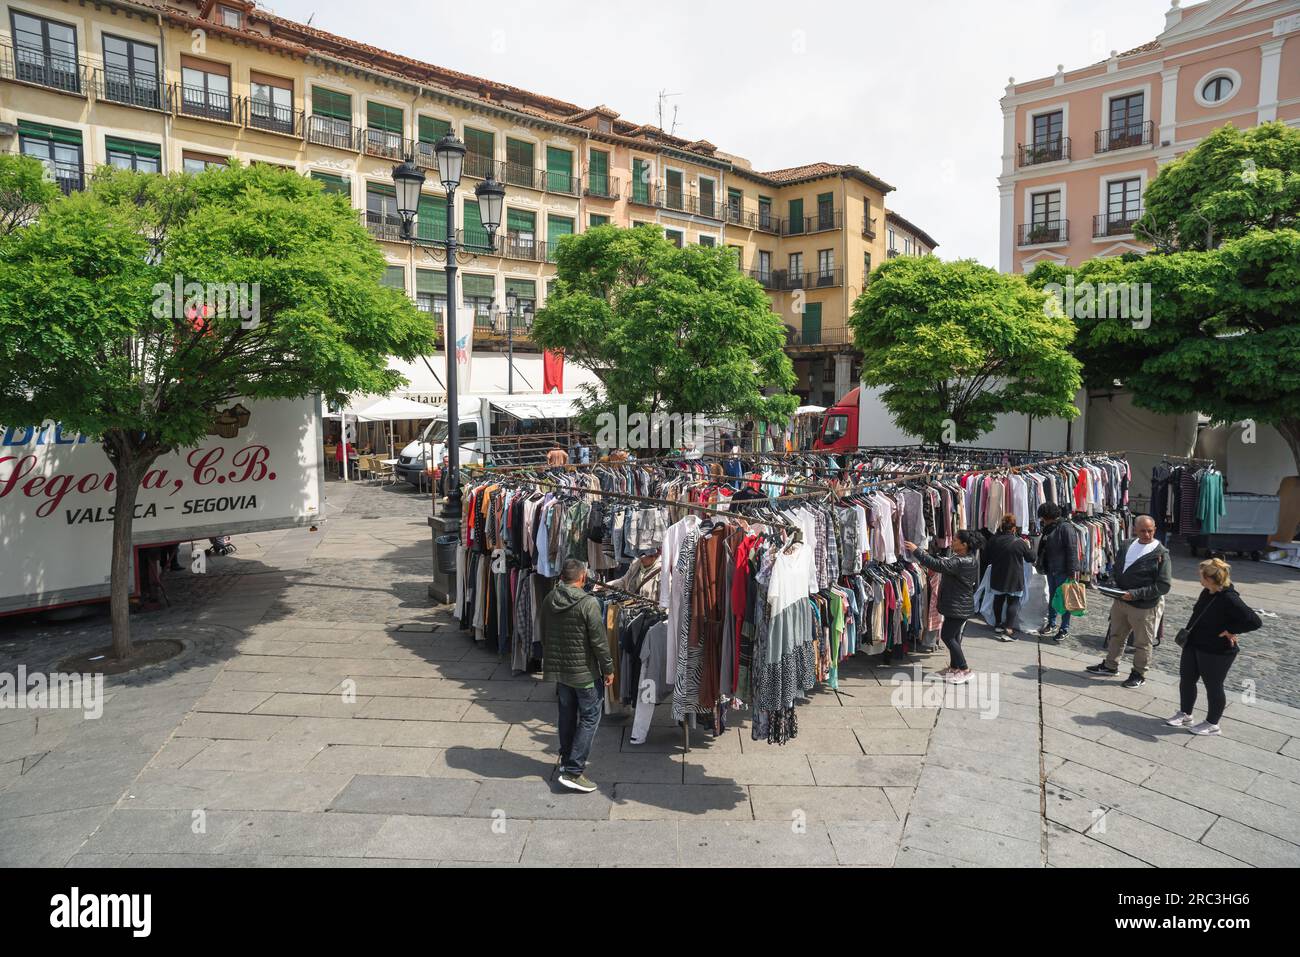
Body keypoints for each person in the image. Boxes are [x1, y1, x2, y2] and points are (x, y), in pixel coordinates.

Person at [540, 559, 613, 793]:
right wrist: (609, 668)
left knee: (567, 715)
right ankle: (574, 770)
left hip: (561, 671)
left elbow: (544, 632)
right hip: (585, 673)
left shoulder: (550, 599)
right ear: (582, 578)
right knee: (590, 717)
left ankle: (565, 760)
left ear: (562, 578)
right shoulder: (588, 603)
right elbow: (599, 642)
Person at [1165, 558, 1261, 736]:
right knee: (1186, 680)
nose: (1198, 578)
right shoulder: (1207, 592)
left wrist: (1231, 630)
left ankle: (1212, 723)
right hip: (1194, 643)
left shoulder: (1230, 598)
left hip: (1217, 650)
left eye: (1201, 575)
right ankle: (1185, 713)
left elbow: (1254, 621)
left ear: (1209, 578)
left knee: (1213, 686)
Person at [1087, 515, 1172, 689]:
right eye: (1143, 530)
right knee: (1116, 635)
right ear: (1135, 529)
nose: (1147, 534)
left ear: (1155, 529)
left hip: (1143, 606)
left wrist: (1135, 594)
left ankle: (1139, 673)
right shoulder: (1126, 545)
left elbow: (1163, 585)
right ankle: (1111, 666)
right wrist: (1112, 584)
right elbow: (1117, 568)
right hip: (1120, 601)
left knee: (1142, 642)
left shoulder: (1160, 553)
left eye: (1150, 530)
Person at [903, 530, 985, 684]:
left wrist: (917, 551)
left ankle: (965, 669)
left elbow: (938, 565)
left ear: (964, 545)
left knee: (947, 636)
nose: (952, 542)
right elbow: (943, 563)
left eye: (955, 540)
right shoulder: (967, 559)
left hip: (958, 607)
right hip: (958, 606)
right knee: (953, 636)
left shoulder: (961, 561)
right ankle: (954, 668)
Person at [985, 513, 1035, 640]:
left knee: (998, 599)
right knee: (1013, 602)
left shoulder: (994, 540)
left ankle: (997, 624)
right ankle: (1008, 629)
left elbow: (986, 556)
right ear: (1013, 528)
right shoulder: (1020, 542)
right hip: (1014, 577)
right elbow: (1031, 558)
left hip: (997, 574)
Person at [1035, 502, 1079, 643]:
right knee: (1053, 598)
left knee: (1065, 600)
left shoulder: (1065, 528)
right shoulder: (1049, 528)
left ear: (1049, 516)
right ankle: (1052, 623)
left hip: (1063, 570)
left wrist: (1072, 572)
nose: (1042, 520)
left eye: (1043, 517)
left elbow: (1072, 550)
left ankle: (1064, 628)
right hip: (1051, 568)